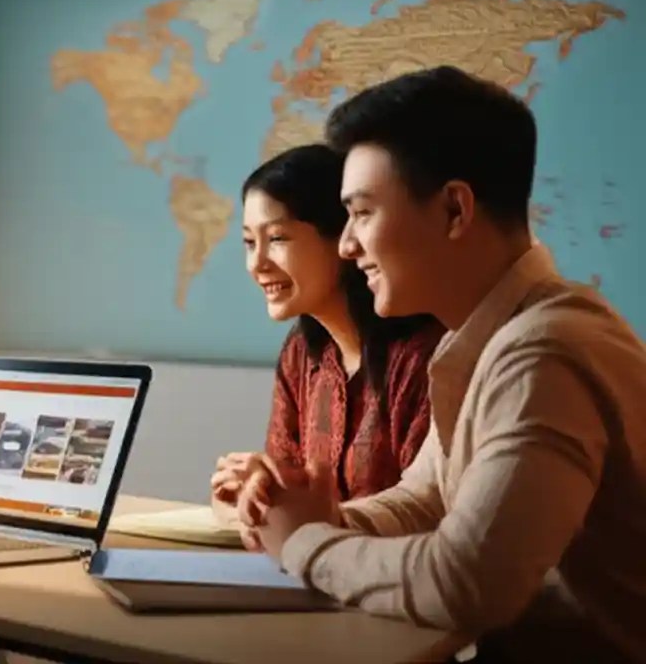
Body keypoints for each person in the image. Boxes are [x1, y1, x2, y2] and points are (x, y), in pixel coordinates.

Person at [247, 66, 646, 663]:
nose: (348, 245)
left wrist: (306, 544)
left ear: (455, 210)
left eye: (361, 213)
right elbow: (424, 499)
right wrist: (318, 518)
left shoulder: (545, 352)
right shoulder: (490, 338)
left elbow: (465, 582)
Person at [210, 145, 444, 550]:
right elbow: (283, 494)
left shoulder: (424, 357)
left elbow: (430, 519)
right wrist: (251, 492)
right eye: (250, 242)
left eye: (278, 237)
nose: (257, 263)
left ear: (344, 236)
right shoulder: (302, 353)